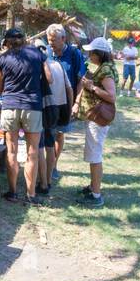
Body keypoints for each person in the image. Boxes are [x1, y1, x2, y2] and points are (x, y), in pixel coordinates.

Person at [0, 26, 46, 203]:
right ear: (23, 39)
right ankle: (31, 194)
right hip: (33, 105)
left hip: (10, 105)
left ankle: (13, 192)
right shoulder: (37, 54)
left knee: (12, 151)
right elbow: (49, 78)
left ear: (7, 42)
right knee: (32, 152)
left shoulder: (3, 58)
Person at [74, 37, 118, 206]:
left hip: (98, 118)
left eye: (91, 52)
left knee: (94, 155)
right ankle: (93, 186)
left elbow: (111, 96)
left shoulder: (105, 70)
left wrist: (92, 87)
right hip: (94, 116)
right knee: (93, 153)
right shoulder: (101, 67)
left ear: (98, 54)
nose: (89, 54)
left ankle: (96, 195)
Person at [47, 24, 85, 181]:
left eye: (54, 40)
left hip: (66, 102)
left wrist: (76, 102)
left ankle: (54, 165)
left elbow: (81, 79)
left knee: (59, 134)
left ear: (63, 39)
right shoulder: (47, 52)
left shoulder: (74, 53)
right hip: (48, 101)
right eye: (49, 40)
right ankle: (47, 165)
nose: (51, 43)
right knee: (47, 134)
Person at [37, 43, 73, 197]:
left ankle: (42, 181)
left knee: (39, 146)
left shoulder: (39, 66)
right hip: (57, 108)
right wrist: (69, 109)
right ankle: (49, 179)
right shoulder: (58, 65)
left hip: (43, 108)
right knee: (50, 145)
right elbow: (69, 89)